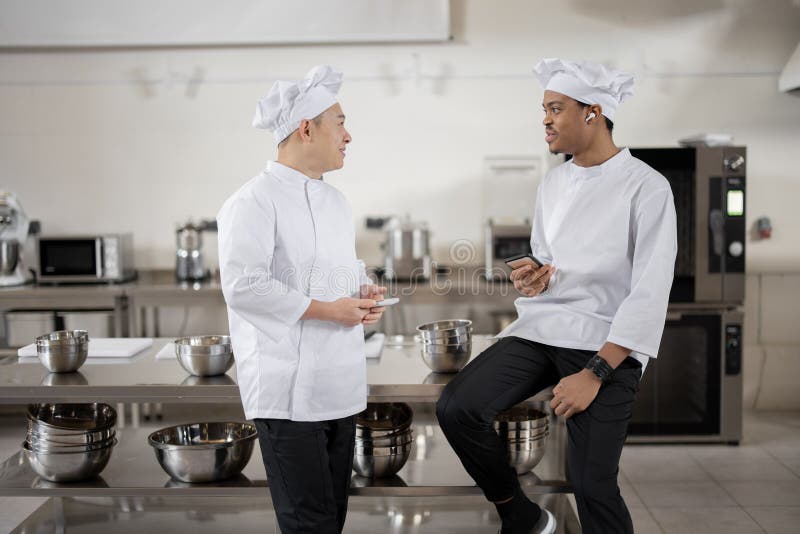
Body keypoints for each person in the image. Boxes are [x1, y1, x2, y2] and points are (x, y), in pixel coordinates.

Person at [436, 58, 677, 534]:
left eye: (555, 108)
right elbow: (550, 265)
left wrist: (596, 373)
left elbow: (650, 293)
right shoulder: (554, 182)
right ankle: (521, 515)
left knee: (592, 487)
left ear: (593, 111)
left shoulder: (647, 187)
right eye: (544, 109)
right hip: (544, 328)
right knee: (457, 408)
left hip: (608, 342)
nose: (544, 120)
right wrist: (535, 279)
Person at [216, 65, 387, 534]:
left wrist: (361, 290)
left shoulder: (335, 202)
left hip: (338, 384)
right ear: (306, 127)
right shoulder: (252, 201)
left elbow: (334, 272)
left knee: (331, 519)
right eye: (340, 122)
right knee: (308, 524)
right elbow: (244, 285)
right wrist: (328, 310)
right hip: (286, 391)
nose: (348, 135)